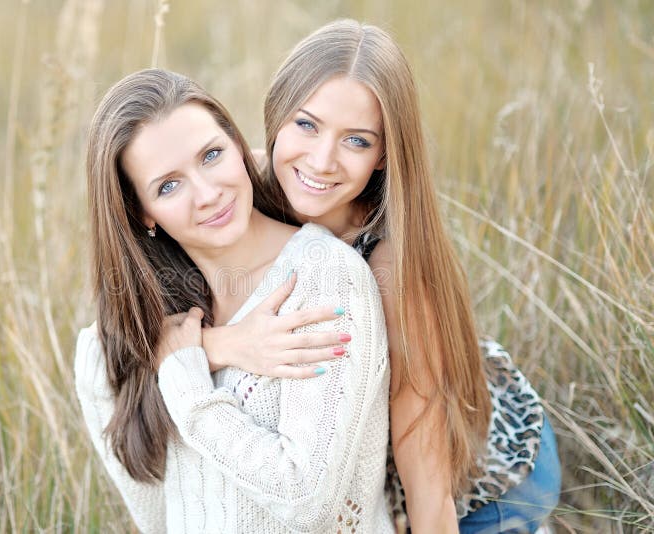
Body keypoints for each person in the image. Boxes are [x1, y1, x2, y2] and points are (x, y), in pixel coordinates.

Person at [200, 19, 561, 533]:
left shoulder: (389, 267)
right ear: (276, 116)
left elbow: (430, 487)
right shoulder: (239, 189)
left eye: (357, 140)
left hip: (487, 482)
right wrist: (225, 345)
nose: (321, 161)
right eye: (306, 125)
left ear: (385, 152)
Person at [74, 68, 394, 533]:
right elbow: (159, 518)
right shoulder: (134, 341)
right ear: (142, 213)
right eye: (169, 185)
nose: (207, 194)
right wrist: (209, 349)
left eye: (211, 155)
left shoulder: (324, 279)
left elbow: (307, 498)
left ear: (240, 149)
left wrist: (188, 388)